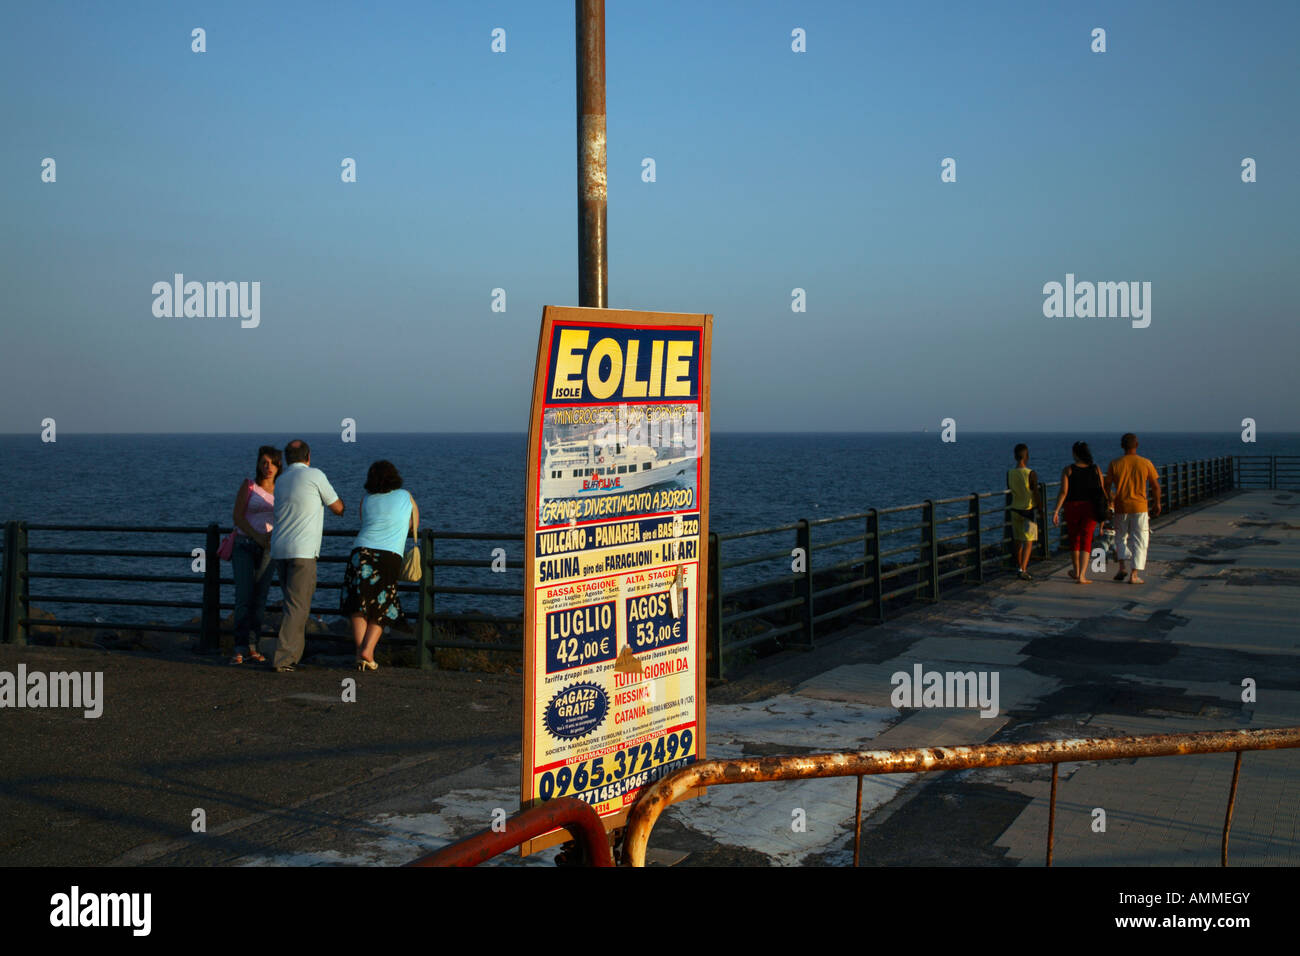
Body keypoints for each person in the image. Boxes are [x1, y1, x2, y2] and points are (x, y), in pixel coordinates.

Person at [268, 439, 344, 672]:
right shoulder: (315, 476)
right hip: (302, 551)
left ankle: (293, 657)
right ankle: (283, 660)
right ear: (308, 457)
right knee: (297, 607)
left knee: (293, 605)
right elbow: (338, 507)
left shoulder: (280, 480)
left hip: (279, 550)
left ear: (286, 458)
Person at [340, 460, 419, 671]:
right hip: (389, 555)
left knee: (358, 605)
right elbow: (414, 524)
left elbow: (363, 521)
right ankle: (368, 650)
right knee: (383, 605)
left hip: (360, 552)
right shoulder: (405, 496)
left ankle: (361, 654)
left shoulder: (366, 499)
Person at [230, 445, 281, 663]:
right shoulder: (249, 485)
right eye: (264, 462)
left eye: (272, 463)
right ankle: (240, 647)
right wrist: (256, 536)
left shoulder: (282, 489)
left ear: (279, 465)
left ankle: (253, 646)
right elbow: (238, 516)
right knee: (244, 597)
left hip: (269, 548)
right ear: (258, 464)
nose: (268, 467)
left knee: (260, 599)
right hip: (244, 544)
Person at [1104, 433, 1162, 585]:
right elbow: (1155, 486)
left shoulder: (1114, 463)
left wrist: (1110, 499)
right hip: (1140, 507)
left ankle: (1122, 567)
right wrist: (1157, 503)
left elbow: (1106, 485)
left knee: (1120, 538)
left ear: (1122, 446)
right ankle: (1134, 575)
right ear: (1137, 445)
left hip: (1121, 506)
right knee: (1140, 540)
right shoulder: (1145, 463)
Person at [1051, 441, 1106, 585]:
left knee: (1074, 539)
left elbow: (1063, 492)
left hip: (1072, 507)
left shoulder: (1068, 470)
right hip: (1090, 508)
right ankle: (1082, 575)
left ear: (1075, 453)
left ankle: (1075, 571)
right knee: (1086, 540)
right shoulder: (1096, 469)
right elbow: (1102, 490)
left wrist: (1056, 510)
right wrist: (1105, 511)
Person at [1008, 444, 1038, 580]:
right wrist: (1041, 508)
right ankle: (1023, 569)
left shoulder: (1010, 473)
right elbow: (1035, 492)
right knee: (1029, 540)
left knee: (1018, 540)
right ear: (1027, 456)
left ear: (1015, 456)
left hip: (1014, 509)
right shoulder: (1031, 473)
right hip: (1028, 510)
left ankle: (1019, 566)